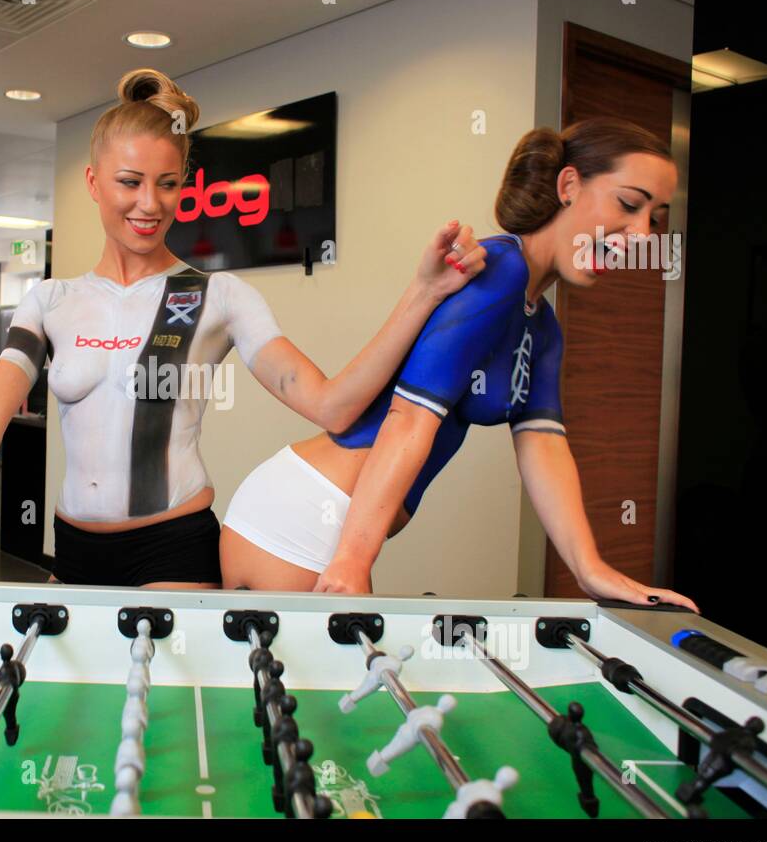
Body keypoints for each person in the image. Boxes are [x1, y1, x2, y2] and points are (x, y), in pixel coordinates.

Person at [0, 67, 486, 588]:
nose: (150, 204)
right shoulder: (49, 301)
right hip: (72, 555)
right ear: (93, 182)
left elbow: (334, 407)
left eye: (168, 185)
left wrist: (423, 292)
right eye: (129, 182)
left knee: (170, 742)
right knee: (78, 733)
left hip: (171, 555)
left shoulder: (219, 296)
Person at [221, 117, 699, 612]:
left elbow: (543, 446)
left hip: (340, 527)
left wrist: (591, 570)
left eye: (656, 218)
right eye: (629, 203)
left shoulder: (543, 327)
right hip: (302, 518)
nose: (643, 234)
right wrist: (352, 558)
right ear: (569, 186)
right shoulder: (500, 271)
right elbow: (408, 417)